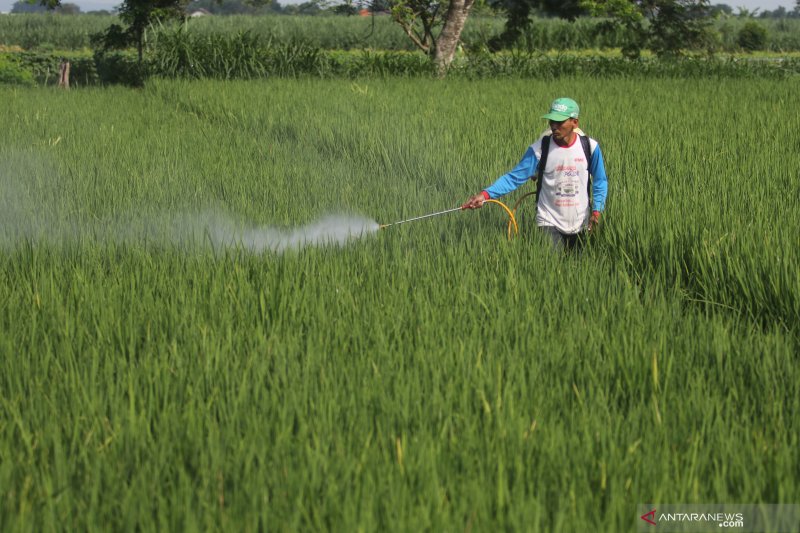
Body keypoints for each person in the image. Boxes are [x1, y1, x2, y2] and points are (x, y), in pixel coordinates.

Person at [462, 97, 608, 250]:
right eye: (552, 121)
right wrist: (484, 195)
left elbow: (600, 181)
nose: (554, 126)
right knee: (551, 262)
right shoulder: (539, 149)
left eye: (559, 122)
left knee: (578, 263)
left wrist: (596, 211)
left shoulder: (590, 147)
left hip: (581, 222)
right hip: (548, 220)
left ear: (575, 123)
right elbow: (513, 178)